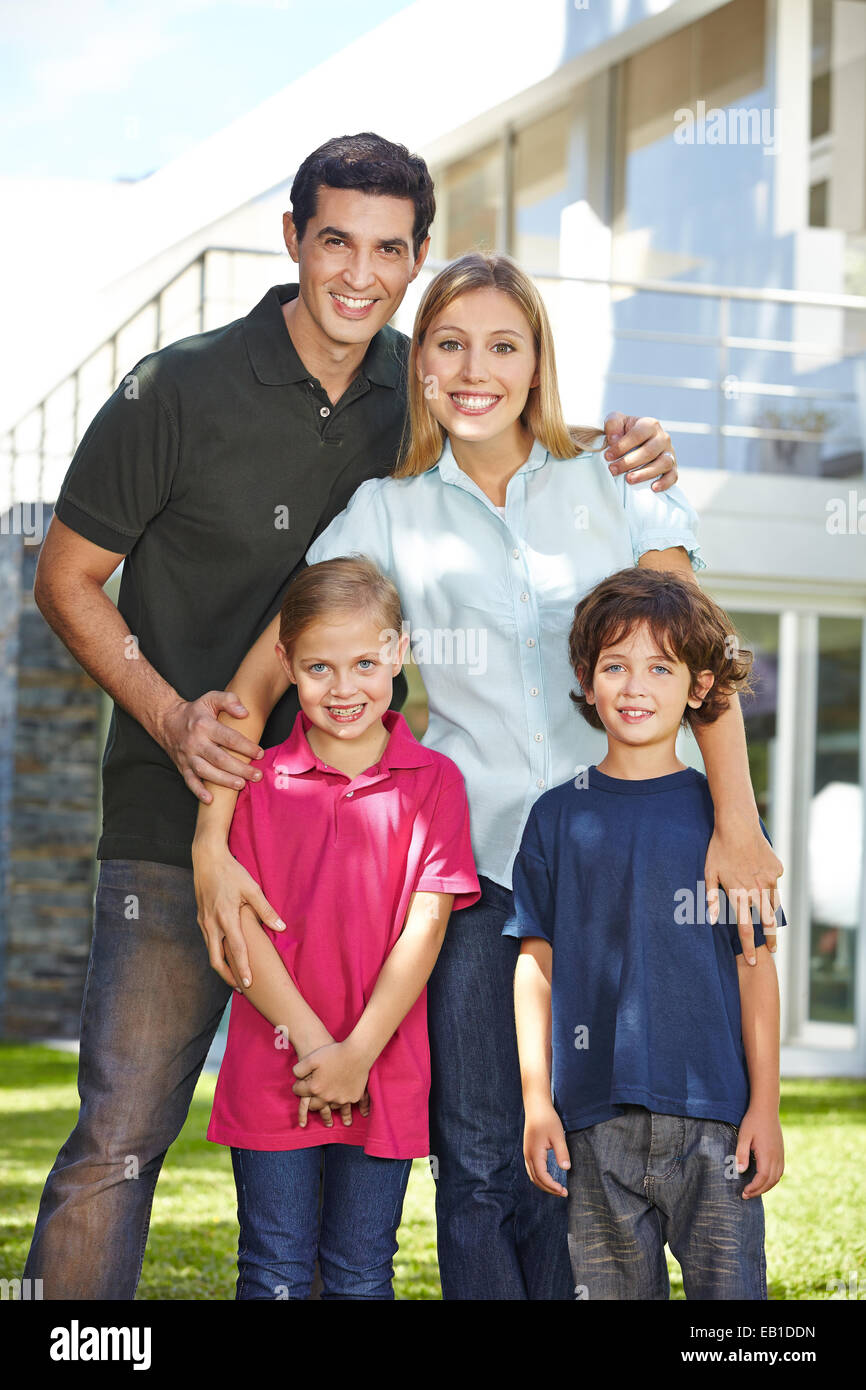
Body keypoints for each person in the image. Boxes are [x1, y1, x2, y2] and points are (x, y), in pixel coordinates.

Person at [25, 130, 678, 1300]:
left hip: (375, 844)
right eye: (336, 240)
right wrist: (186, 739)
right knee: (122, 1136)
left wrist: (629, 447)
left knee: (400, 1150)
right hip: (189, 814)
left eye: (389, 249)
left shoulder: (417, 391)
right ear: (292, 241)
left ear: (415, 257)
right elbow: (68, 580)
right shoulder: (177, 388)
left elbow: (522, 436)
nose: (360, 272)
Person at [193, 251, 783, 1301]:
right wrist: (209, 837)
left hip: (627, 869)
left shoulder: (614, 480)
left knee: (590, 1149)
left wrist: (733, 822)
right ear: (418, 365)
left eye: (502, 344)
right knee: (474, 1157)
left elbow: (700, 660)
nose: (475, 368)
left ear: (535, 362)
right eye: (449, 343)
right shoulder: (385, 510)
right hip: (476, 874)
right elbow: (276, 663)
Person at [206, 556, 479, 1299]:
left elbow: (426, 930)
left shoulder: (436, 785)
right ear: (286, 665)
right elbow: (242, 938)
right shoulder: (256, 786)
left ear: (399, 651)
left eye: (364, 661)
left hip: (382, 1069)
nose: (344, 687)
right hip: (275, 1068)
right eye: (319, 667)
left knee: (362, 1275)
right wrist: (318, 1049)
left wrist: (357, 1053)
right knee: (274, 1272)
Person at [509, 566, 785, 1300]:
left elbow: (757, 967)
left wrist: (765, 1106)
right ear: (586, 679)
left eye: (660, 667)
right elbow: (536, 962)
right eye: (616, 665)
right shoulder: (556, 818)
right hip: (595, 1122)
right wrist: (539, 1101)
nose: (636, 686)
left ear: (698, 688)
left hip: (716, 1126)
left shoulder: (727, 823)